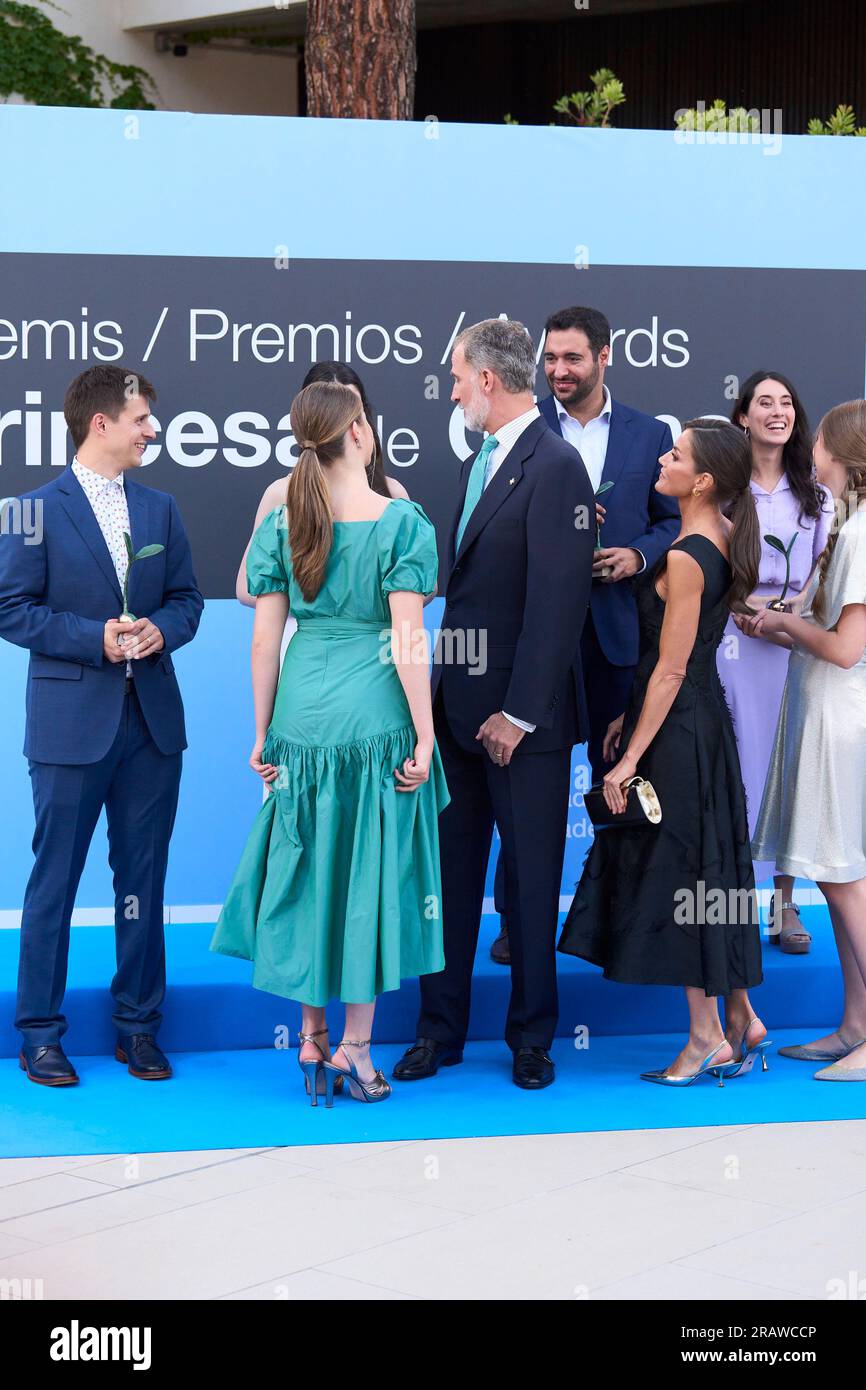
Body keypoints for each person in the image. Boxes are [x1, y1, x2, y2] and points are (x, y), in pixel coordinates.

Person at [210, 381, 449, 1106]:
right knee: (365, 878)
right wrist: (427, 730)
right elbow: (408, 636)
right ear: (357, 435)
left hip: (300, 718)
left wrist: (261, 732)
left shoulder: (285, 522)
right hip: (373, 718)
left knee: (309, 875)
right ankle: (355, 1050)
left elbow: (262, 637)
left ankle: (310, 1039)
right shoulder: (401, 521)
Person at [393, 319, 595, 1091]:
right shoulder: (483, 462)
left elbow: (557, 602)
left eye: (455, 376)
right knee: (444, 886)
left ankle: (532, 1039)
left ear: (487, 379)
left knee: (531, 884)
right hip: (453, 718)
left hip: (519, 725)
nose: (449, 391)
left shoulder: (557, 466)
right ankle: (437, 1034)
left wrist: (521, 713)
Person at [0, 365, 203, 1086]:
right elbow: (10, 608)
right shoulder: (31, 508)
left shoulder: (161, 509)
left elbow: (187, 600)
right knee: (54, 879)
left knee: (143, 877)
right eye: (143, 418)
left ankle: (138, 1028)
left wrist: (159, 631)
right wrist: (98, 639)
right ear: (102, 424)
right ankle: (39, 1035)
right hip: (68, 727)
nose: (153, 429)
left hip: (151, 727)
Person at [558, 419, 766, 1086]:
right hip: (701, 728)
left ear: (702, 481)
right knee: (708, 871)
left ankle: (705, 1036)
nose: (663, 460)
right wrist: (625, 714)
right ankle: (742, 1016)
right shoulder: (722, 539)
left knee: (682, 876)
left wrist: (624, 762)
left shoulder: (682, 556)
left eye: (675, 456)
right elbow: (669, 665)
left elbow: (671, 671)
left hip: (678, 733)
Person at [490, 305, 678, 965]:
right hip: (537, 643)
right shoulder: (522, 428)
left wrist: (638, 556)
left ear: (605, 357)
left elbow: (674, 521)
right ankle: (518, 925)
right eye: (550, 360)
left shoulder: (649, 434)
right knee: (522, 796)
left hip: (615, 640)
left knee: (615, 783)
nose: (559, 371)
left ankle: (615, 924)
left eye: (572, 358)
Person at [747, 401, 866, 1080]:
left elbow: (847, 649)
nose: (811, 449)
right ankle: (855, 1023)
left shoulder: (860, 533)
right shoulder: (849, 529)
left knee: (844, 875)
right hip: (825, 711)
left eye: (819, 440)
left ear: (844, 452)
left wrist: (786, 628)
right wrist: (792, 616)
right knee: (836, 868)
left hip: (837, 714)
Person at [719, 372, 833, 954]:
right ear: (743, 417)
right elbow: (708, 565)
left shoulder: (816, 494)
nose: (777, 411)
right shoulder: (725, 491)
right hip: (734, 648)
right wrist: (741, 607)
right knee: (739, 772)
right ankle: (736, 903)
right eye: (764, 401)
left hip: (790, 647)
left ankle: (784, 904)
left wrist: (789, 613)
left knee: (786, 772)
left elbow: (824, 577)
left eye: (786, 401)